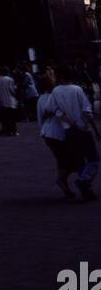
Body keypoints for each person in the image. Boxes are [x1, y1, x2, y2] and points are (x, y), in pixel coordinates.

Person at [48, 65, 99, 203]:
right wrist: (92, 128)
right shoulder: (77, 89)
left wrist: (67, 120)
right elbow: (87, 111)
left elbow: (54, 109)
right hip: (83, 128)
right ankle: (84, 181)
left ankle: (86, 188)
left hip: (68, 130)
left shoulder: (56, 91)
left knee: (80, 160)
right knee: (93, 159)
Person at [36, 73, 72, 198]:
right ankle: (62, 180)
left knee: (61, 159)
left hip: (47, 133)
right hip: (59, 132)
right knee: (69, 160)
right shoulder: (57, 96)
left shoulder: (41, 99)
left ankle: (64, 184)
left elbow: (40, 119)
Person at [0, 66, 19, 136]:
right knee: (12, 118)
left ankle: (7, 130)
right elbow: (12, 90)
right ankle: (13, 131)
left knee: (5, 117)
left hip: (2, 100)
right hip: (10, 101)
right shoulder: (9, 79)